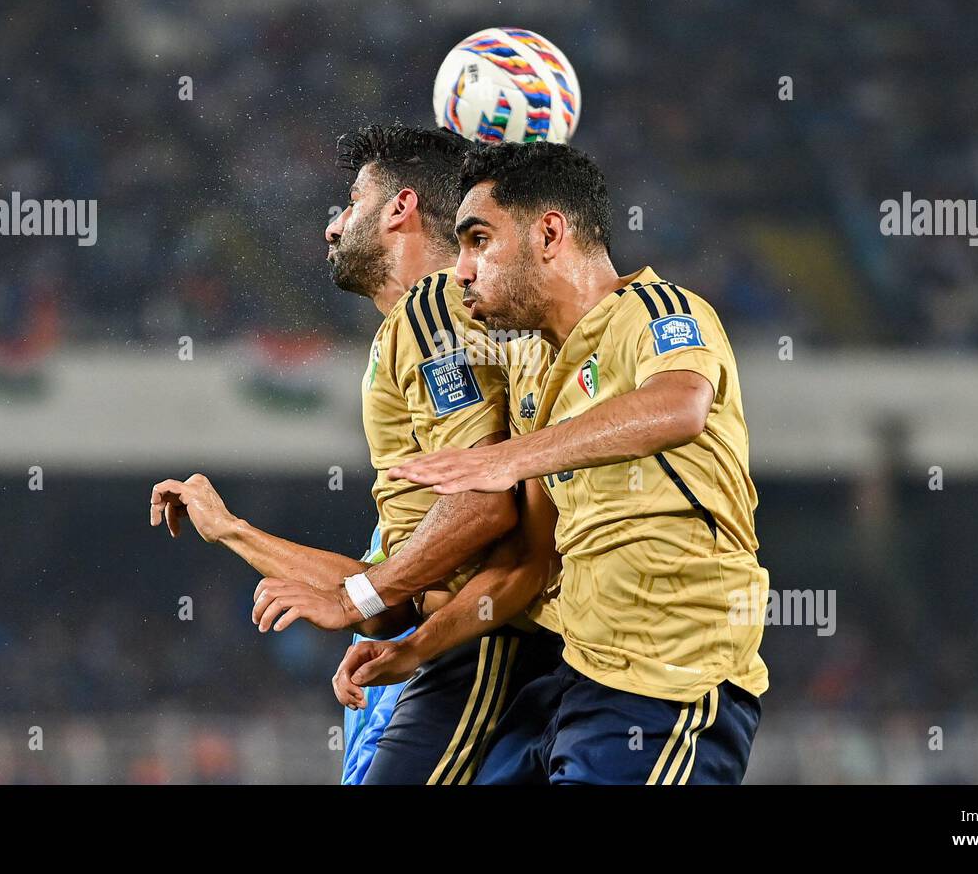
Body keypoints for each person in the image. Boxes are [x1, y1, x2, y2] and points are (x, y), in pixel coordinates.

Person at [339, 141, 768, 784]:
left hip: (672, 684)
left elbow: (680, 405)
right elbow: (529, 565)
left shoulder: (656, 311)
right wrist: (413, 649)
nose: (462, 270)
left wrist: (508, 459)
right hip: (577, 684)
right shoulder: (532, 368)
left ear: (548, 234)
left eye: (479, 241)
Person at [151, 125, 556, 784]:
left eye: (351, 202)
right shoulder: (426, 325)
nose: (333, 227)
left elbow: (482, 506)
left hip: (475, 649)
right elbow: (397, 587)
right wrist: (232, 531)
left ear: (400, 208)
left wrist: (359, 599)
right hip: (445, 642)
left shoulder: (435, 308)